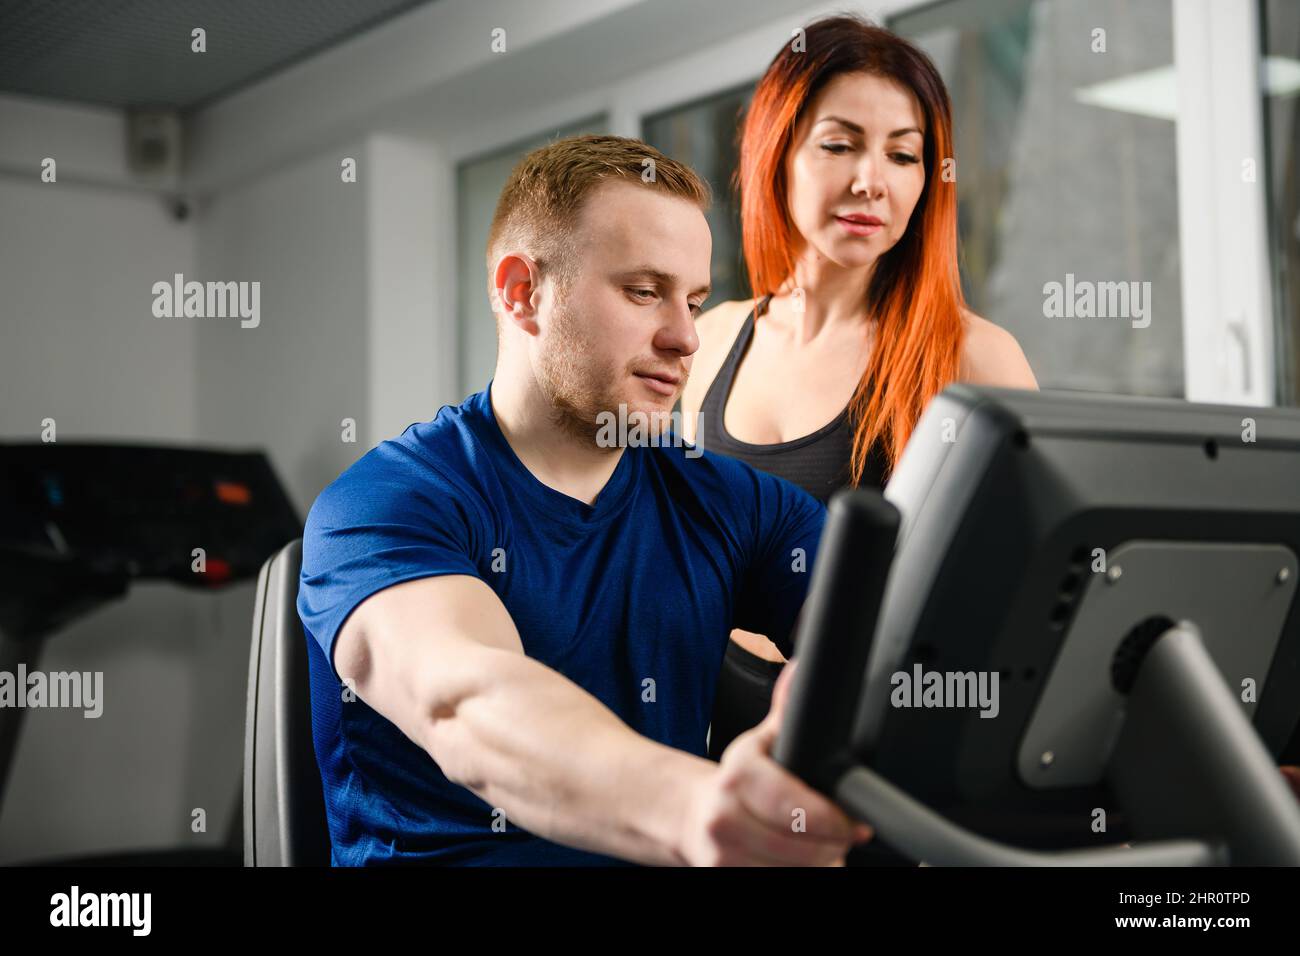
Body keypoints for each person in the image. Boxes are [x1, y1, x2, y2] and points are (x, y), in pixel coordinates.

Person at [296, 134, 873, 866]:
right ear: (520, 291)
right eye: (644, 291)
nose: (686, 337)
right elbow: (465, 702)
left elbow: (886, 650)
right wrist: (691, 807)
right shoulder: (383, 505)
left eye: (694, 300)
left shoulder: (742, 508)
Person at [681, 14, 1038, 764]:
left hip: (880, 749)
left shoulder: (974, 356)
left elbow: (1033, 598)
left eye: (903, 155)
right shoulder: (710, 338)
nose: (870, 179)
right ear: (777, 154)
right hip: (720, 736)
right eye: (839, 144)